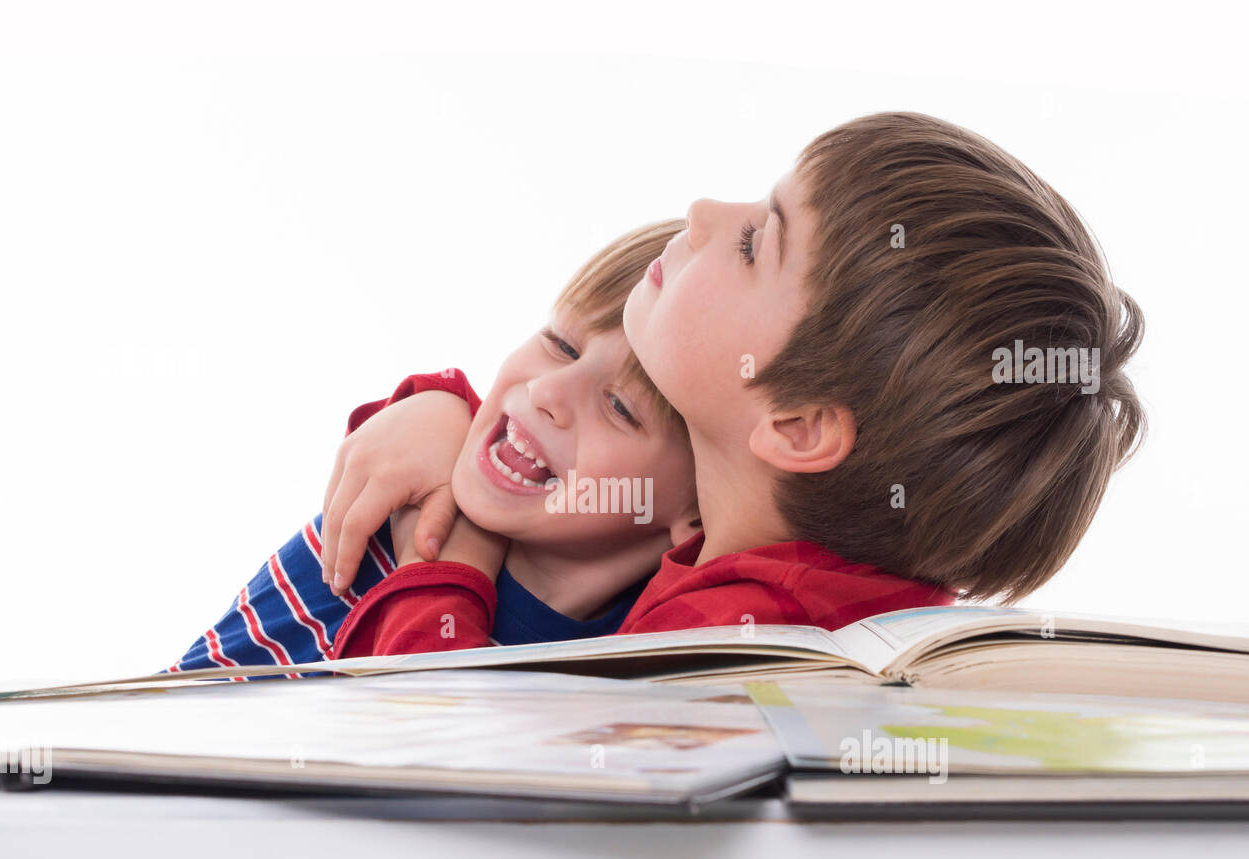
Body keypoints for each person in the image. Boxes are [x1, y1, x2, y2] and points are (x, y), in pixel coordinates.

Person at [328, 112, 1144, 657]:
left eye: (756, 242)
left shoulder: (734, 639)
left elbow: (446, 754)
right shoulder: (804, 574)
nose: (703, 211)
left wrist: (454, 552)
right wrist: (439, 407)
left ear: (796, 425)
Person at [165, 221, 699, 676]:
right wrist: (436, 397)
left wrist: (440, 567)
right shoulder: (395, 508)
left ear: (697, 514)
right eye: (561, 345)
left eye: (620, 407)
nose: (547, 392)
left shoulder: (644, 663)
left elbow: (429, 743)